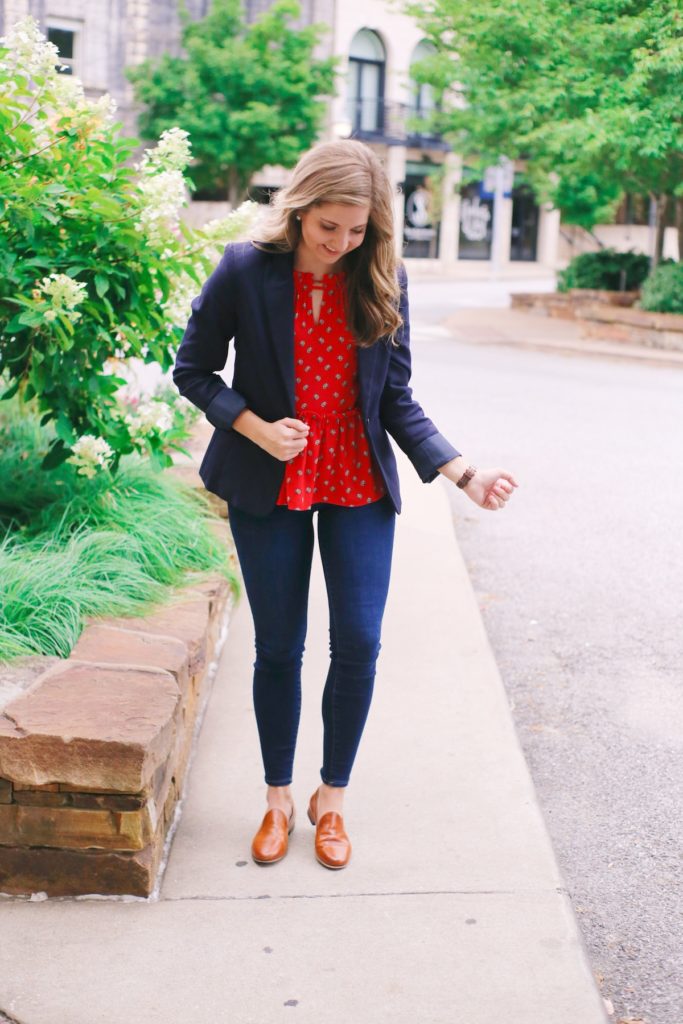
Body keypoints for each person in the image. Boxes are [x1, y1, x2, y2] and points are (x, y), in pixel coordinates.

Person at [173, 139, 518, 871]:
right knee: (278, 648)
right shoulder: (245, 269)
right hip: (273, 479)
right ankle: (275, 798)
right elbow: (192, 369)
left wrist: (462, 473)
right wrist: (256, 427)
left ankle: (331, 798)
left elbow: (394, 395)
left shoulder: (382, 275)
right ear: (298, 210)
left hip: (356, 476)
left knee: (359, 640)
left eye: (355, 230)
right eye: (328, 227)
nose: (340, 243)